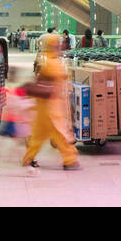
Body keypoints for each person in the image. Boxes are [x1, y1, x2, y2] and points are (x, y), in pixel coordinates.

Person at [21, 33, 79, 171]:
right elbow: (51, 78)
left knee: (38, 134)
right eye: (56, 43)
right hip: (51, 105)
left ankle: (28, 158)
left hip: (44, 104)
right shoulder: (50, 60)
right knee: (60, 133)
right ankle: (70, 159)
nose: (59, 45)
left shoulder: (47, 58)